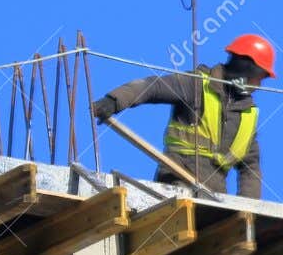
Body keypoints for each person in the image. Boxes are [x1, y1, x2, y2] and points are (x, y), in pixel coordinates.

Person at [90, 33, 273, 198]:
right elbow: (152, 87)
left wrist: (249, 210)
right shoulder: (196, 85)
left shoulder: (247, 117)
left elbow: (251, 169)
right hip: (175, 185)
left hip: (213, 198)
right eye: (259, 78)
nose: (259, 85)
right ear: (246, 69)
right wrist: (114, 101)